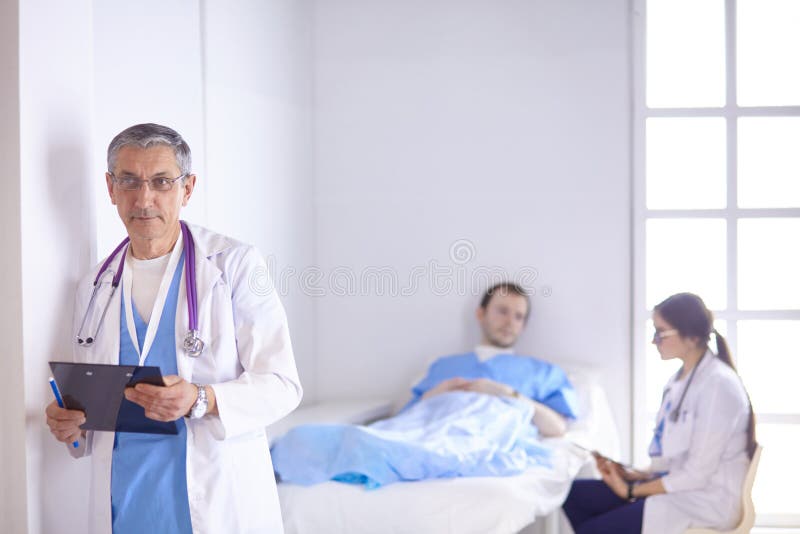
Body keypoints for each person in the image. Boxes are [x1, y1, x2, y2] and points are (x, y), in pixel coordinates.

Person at [44, 123, 302, 534]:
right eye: (129, 180)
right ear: (111, 188)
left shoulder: (233, 265)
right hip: (125, 506)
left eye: (161, 181)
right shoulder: (94, 286)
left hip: (213, 503)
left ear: (187, 188)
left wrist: (200, 398)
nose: (144, 198)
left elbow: (283, 385)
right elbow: (95, 415)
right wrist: (73, 425)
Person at [562, 292, 756, 534]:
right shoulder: (678, 382)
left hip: (706, 500)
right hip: (681, 490)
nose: (654, 341)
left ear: (692, 337)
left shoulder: (718, 385)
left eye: (661, 333)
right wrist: (633, 475)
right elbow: (671, 459)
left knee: (593, 530)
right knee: (574, 495)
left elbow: (696, 474)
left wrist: (632, 491)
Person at [408, 282, 579, 437]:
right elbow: (405, 421)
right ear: (481, 314)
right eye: (502, 311)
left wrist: (507, 393)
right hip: (436, 439)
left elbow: (558, 428)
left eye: (518, 317)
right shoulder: (443, 367)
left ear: (523, 326)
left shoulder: (542, 373)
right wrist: (436, 394)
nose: (509, 322)